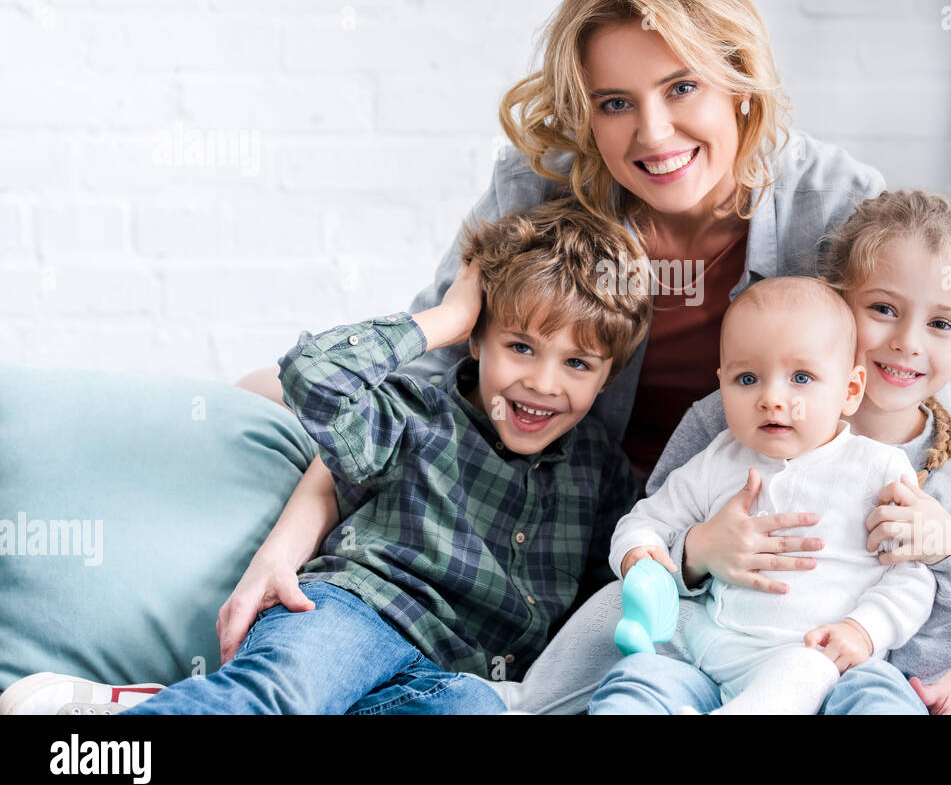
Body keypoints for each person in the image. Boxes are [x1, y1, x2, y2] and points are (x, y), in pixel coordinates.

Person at [220, 0, 951, 711]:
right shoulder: (539, 191)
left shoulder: (833, 206)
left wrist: (949, 639)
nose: (653, 134)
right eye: (616, 103)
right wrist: (285, 545)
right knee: (255, 394)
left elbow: (910, 392)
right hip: (594, 532)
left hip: (768, 560)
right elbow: (420, 387)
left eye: (682, 87)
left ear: (740, 83)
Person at [98, 200, 646, 713]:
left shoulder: (599, 469)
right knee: (280, 694)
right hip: (355, 614)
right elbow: (311, 379)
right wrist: (448, 317)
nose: (542, 382)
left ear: (608, 377)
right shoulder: (413, 416)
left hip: (459, 676)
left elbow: (615, 580)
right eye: (520, 347)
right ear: (477, 339)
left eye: (577, 363)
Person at [502, 189, 951, 714]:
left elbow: (940, 645)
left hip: (852, 674)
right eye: (883, 308)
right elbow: (656, 530)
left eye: (941, 323)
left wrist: (945, 552)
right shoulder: (731, 419)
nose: (907, 341)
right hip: (709, 656)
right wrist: (697, 552)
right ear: (836, 304)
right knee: (637, 683)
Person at [601, 276, 936, 715]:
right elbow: (642, 523)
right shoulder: (717, 461)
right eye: (747, 378)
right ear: (722, 386)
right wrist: (639, 556)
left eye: (801, 377)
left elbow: (914, 575)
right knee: (635, 681)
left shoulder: (879, 470)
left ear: (850, 391)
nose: (772, 398)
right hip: (712, 664)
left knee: (884, 699)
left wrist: (864, 630)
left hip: (831, 670)